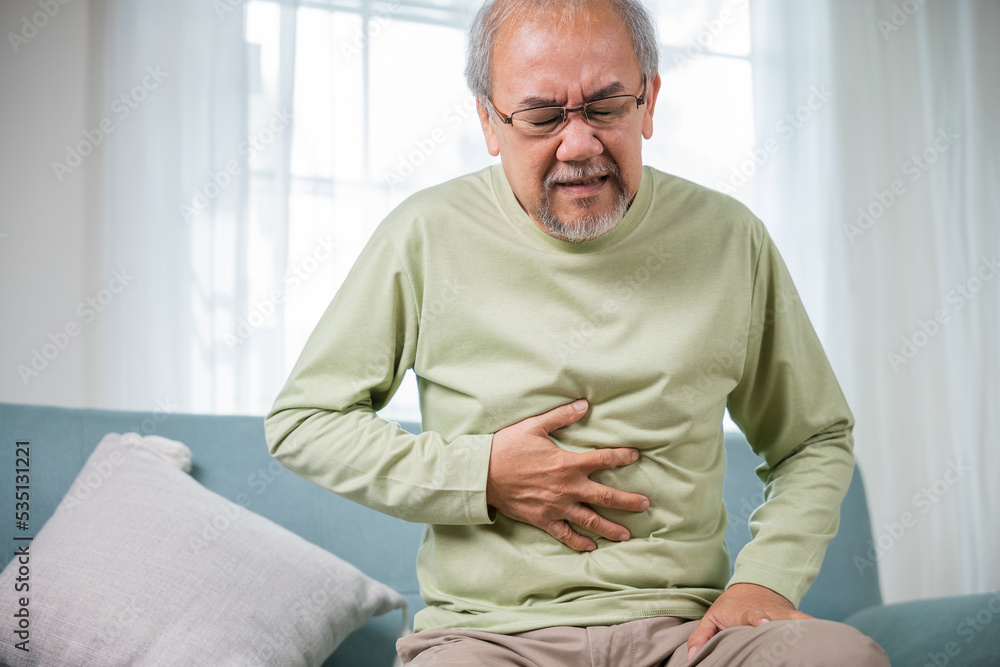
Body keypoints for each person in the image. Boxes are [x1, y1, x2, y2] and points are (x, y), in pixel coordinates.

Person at [265, 0, 890, 664]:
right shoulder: (423, 236)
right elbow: (304, 420)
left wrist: (766, 578)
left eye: (606, 107)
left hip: (688, 633)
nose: (580, 144)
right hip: (488, 636)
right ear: (488, 120)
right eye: (541, 117)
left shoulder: (731, 239)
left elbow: (814, 438)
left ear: (648, 101)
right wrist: (480, 473)